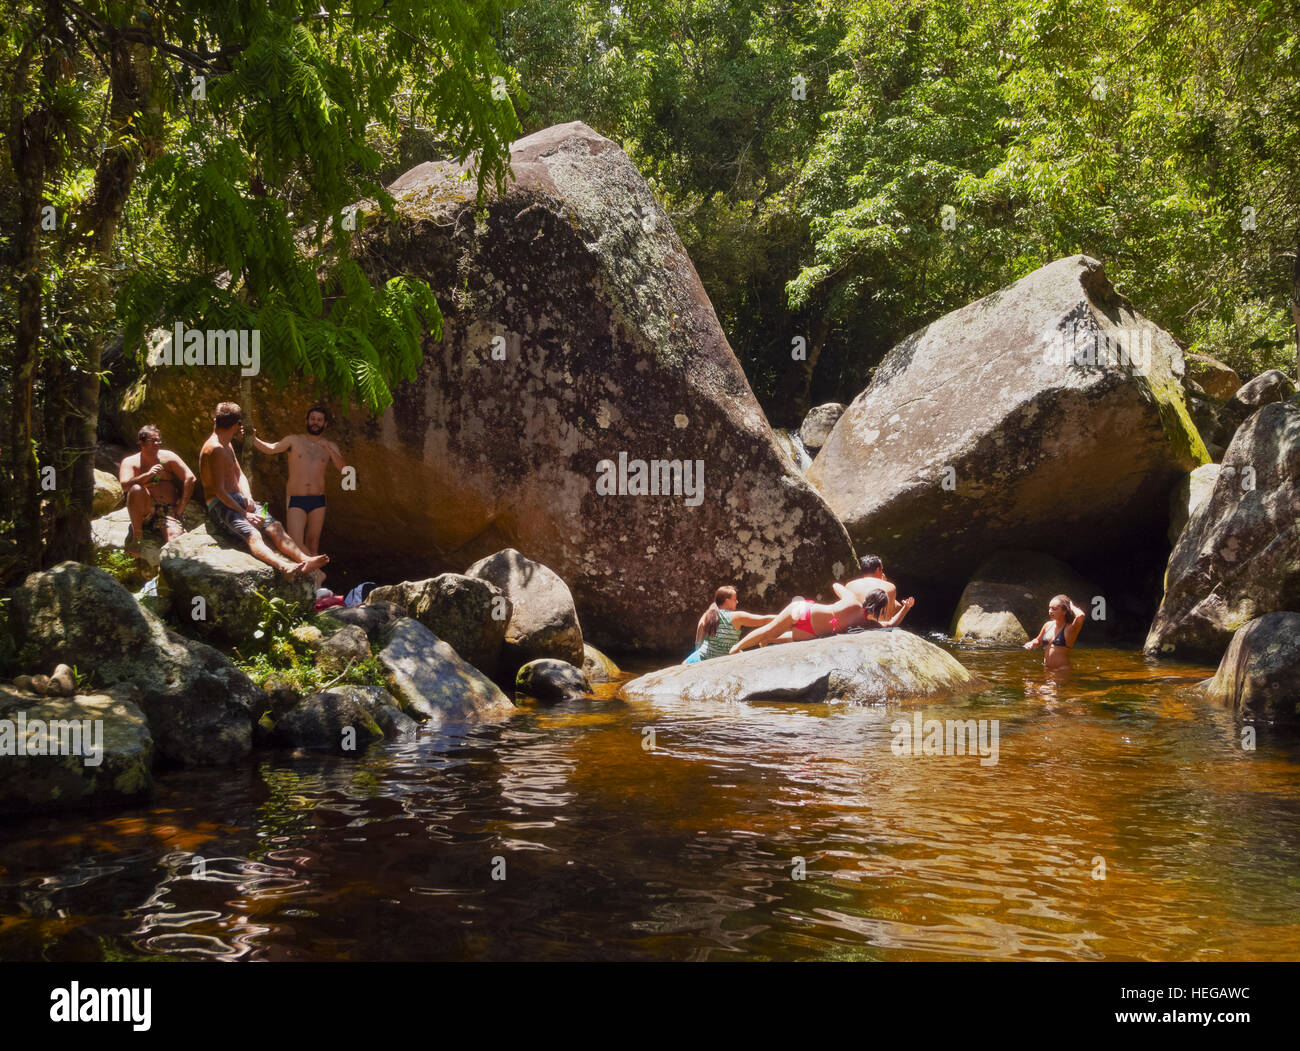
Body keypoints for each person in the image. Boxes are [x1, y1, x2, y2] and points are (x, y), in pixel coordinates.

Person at [199, 401, 328, 580]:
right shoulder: (214, 449)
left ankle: (305, 560)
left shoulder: (227, 444)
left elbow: (240, 475)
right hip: (220, 505)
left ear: (215, 421)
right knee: (254, 534)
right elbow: (219, 491)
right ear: (237, 426)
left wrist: (248, 497)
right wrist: (245, 513)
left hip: (238, 499)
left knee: (275, 527)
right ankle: (283, 566)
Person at [248, 405, 346, 557]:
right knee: (295, 543)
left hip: (318, 501)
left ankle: (313, 580)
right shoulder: (294, 440)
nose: (316, 422)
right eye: (313, 419)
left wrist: (330, 450)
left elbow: (344, 469)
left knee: (313, 545)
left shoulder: (330, 446)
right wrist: (254, 439)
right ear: (306, 421)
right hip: (296, 499)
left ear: (325, 424)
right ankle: (318, 573)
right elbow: (272, 448)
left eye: (319, 420)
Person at [730, 584, 914, 653]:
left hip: (810, 624)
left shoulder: (853, 600)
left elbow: (836, 585)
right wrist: (906, 608)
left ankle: (764, 641)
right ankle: (736, 648)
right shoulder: (866, 622)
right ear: (881, 608)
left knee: (774, 633)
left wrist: (849, 593)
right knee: (771, 629)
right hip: (806, 612)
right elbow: (890, 624)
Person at [119, 424, 196, 552]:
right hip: (146, 509)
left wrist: (181, 507)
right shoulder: (130, 461)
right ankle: (138, 537)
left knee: (175, 540)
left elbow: (190, 478)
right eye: (153, 440)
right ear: (141, 442)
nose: (157, 443)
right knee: (136, 489)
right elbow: (125, 485)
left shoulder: (168, 457)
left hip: (167, 510)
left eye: (159, 440)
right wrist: (149, 474)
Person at [683, 586, 776, 663]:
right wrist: (785, 617)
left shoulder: (708, 614)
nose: (737, 602)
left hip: (702, 657)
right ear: (727, 600)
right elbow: (764, 620)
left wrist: (699, 650)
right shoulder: (736, 617)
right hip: (722, 660)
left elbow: (699, 635)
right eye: (735, 599)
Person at [1024, 594, 1085, 669]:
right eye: (1049, 608)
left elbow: (1081, 615)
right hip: (1047, 668)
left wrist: (1071, 606)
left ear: (1064, 611)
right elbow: (1038, 641)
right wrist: (1032, 643)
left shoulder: (1070, 628)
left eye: (1054, 609)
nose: (1050, 611)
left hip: (1062, 669)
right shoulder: (1047, 625)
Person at [844, 554, 900, 618]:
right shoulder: (890, 586)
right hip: (881, 626)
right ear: (877, 570)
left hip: (856, 626)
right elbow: (898, 608)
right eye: (881, 569)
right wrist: (885, 583)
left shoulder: (849, 585)